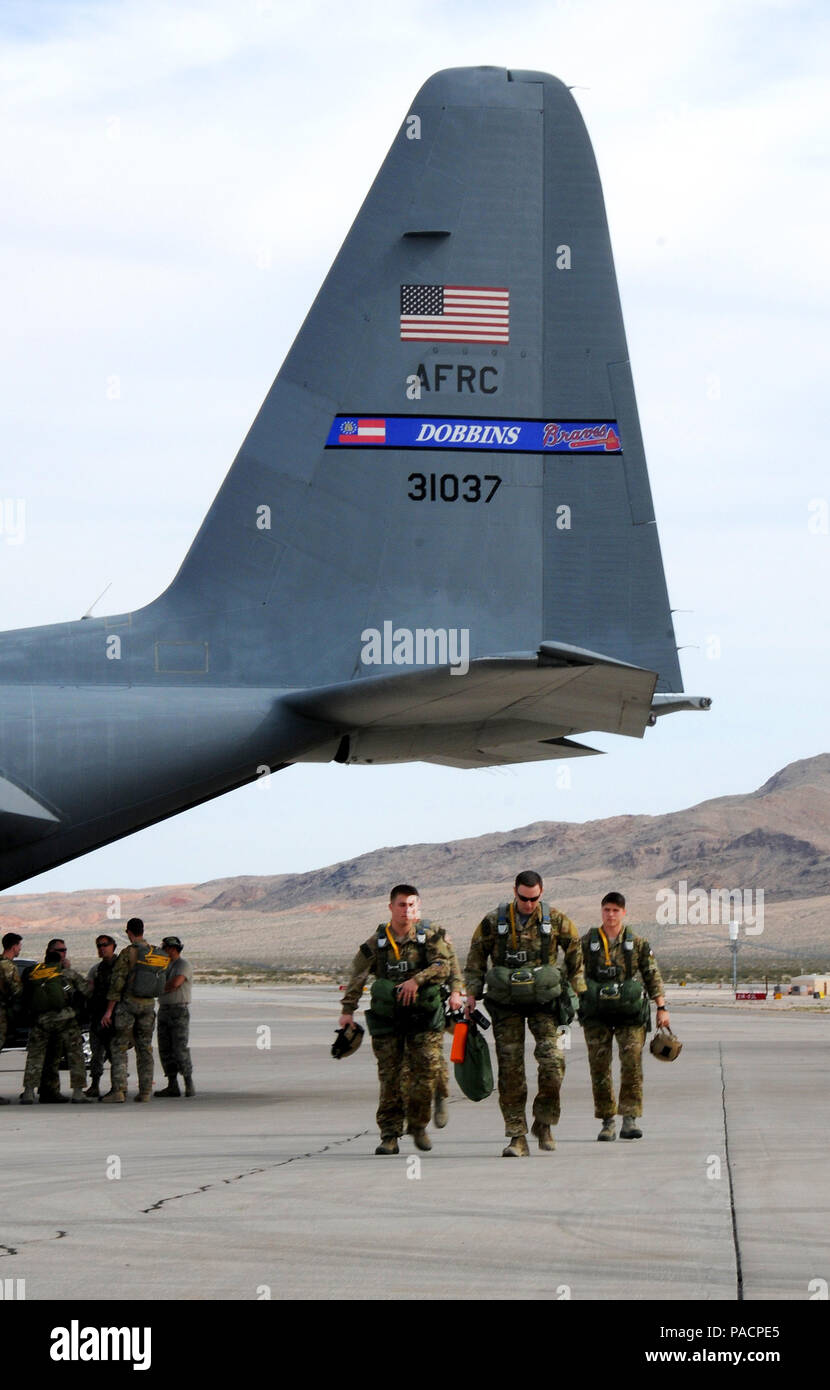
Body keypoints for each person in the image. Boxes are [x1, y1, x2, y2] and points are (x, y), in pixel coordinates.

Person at [464, 870, 585, 1157]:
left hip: (545, 1003)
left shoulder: (556, 921)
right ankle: (516, 1136)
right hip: (506, 1004)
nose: (528, 904)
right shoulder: (494, 922)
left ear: (541, 893)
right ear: (514, 892)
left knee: (553, 1063)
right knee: (510, 1070)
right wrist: (470, 994)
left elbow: (576, 954)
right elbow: (475, 959)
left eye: (534, 899)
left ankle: (543, 1121)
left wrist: (575, 989)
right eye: (523, 898)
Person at [339, 884, 450, 1154]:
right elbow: (358, 976)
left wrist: (417, 980)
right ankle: (389, 1135)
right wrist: (347, 1011)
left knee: (425, 1073)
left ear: (418, 907)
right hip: (389, 1018)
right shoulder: (376, 943)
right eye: (401, 905)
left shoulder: (429, 938)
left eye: (411, 905)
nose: (406, 910)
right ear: (391, 907)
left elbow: (442, 965)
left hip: (423, 1015)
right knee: (390, 1077)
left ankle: (419, 1124)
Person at [579, 891, 669, 1140]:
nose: (610, 915)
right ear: (601, 911)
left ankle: (629, 1118)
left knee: (631, 1064)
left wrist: (661, 1007)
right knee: (599, 1066)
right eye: (607, 910)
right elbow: (573, 971)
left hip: (629, 1013)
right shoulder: (588, 942)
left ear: (624, 913)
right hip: (597, 1012)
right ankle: (607, 1121)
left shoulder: (637, 943)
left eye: (615, 910)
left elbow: (652, 974)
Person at [100, 918, 168, 1103]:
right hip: (148, 1006)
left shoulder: (128, 952)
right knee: (144, 1049)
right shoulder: (155, 953)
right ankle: (145, 1091)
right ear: (142, 930)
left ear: (129, 932)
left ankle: (119, 1091)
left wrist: (108, 1012)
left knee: (119, 1046)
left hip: (128, 1005)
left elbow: (117, 983)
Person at [20, 948, 91, 1104]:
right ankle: (78, 1093)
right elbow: (87, 990)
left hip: (41, 1020)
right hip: (66, 1019)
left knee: (35, 1057)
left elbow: (23, 995)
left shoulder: (35, 974)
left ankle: (28, 1093)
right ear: (59, 961)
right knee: (75, 1055)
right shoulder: (66, 973)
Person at [433, 931, 465, 1128]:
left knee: (433, 1059)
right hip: (397, 1011)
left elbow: (453, 969)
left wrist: (455, 993)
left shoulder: (434, 937)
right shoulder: (387, 937)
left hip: (430, 1009)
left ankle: (440, 1095)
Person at [156, 936, 195, 1097]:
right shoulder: (163, 966)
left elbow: (175, 983)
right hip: (164, 1009)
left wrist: (157, 989)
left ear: (172, 949)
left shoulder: (182, 965)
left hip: (178, 1010)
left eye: (165, 948)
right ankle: (172, 1083)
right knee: (165, 1048)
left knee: (180, 1047)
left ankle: (188, 1081)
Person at [85, 935, 118, 1098]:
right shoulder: (96, 969)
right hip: (98, 1017)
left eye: (105, 945)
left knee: (116, 1055)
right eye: (99, 945)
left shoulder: (121, 968)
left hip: (116, 1017)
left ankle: (117, 1088)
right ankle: (95, 1085)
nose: (101, 948)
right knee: (96, 1054)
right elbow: (89, 991)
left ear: (113, 946)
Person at [0, 933, 23, 1103]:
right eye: (19, 945)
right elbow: (17, 991)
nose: (20, 948)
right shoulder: (8, 966)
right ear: (14, 946)